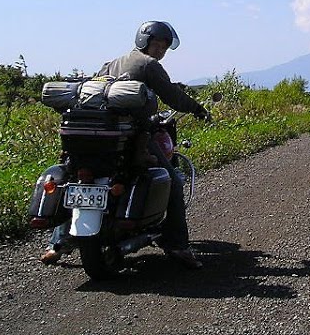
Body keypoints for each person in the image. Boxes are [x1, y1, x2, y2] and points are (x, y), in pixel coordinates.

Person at [40, 20, 212, 269]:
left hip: (94, 140)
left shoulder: (110, 63)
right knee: (173, 182)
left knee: (75, 180)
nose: (161, 50)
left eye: (164, 46)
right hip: (131, 138)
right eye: (157, 44)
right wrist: (196, 108)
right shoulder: (149, 65)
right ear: (145, 42)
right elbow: (172, 96)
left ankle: (57, 243)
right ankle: (177, 246)